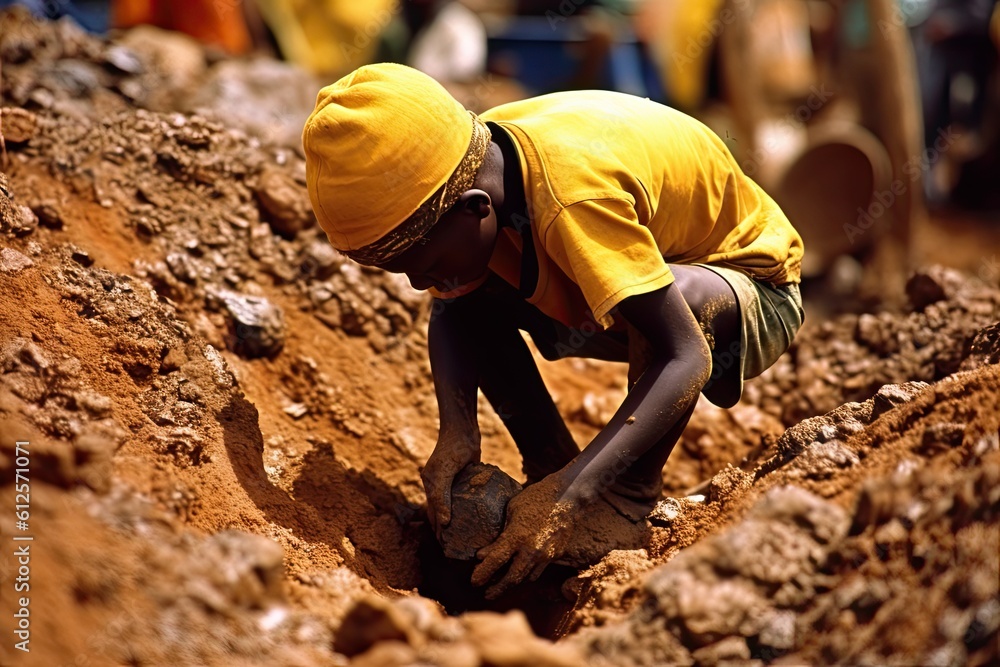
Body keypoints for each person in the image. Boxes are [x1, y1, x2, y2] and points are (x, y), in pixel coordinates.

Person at [302, 63, 804, 598]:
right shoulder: (473, 165)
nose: (418, 285)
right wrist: (457, 430)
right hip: (624, 280)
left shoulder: (572, 199)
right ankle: (551, 462)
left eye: (419, 266)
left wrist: (571, 499)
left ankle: (628, 496)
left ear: (475, 209)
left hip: (745, 292)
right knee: (474, 295)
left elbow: (686, 355)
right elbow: (454, 309)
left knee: (687, 301)